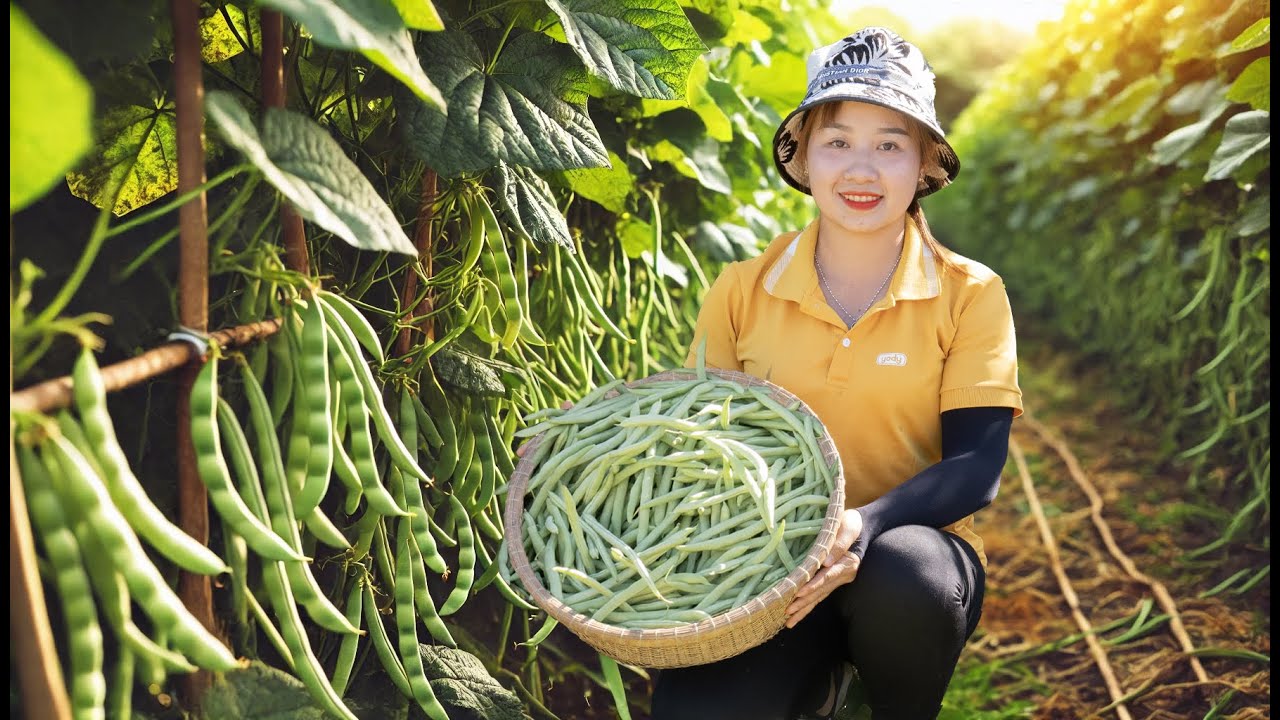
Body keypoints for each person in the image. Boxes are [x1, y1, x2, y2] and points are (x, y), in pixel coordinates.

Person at [650, 27, 1023, 720]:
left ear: (922, 166)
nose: (861, 169)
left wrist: (861, 525)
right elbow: (705, 442)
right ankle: (814, 679)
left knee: (907, 576)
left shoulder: (970, 292)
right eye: (837, 142)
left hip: (909, 554)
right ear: (804, 160)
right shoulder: (740, 288)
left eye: (889, 144)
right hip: (767, 563)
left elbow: (978, 464)